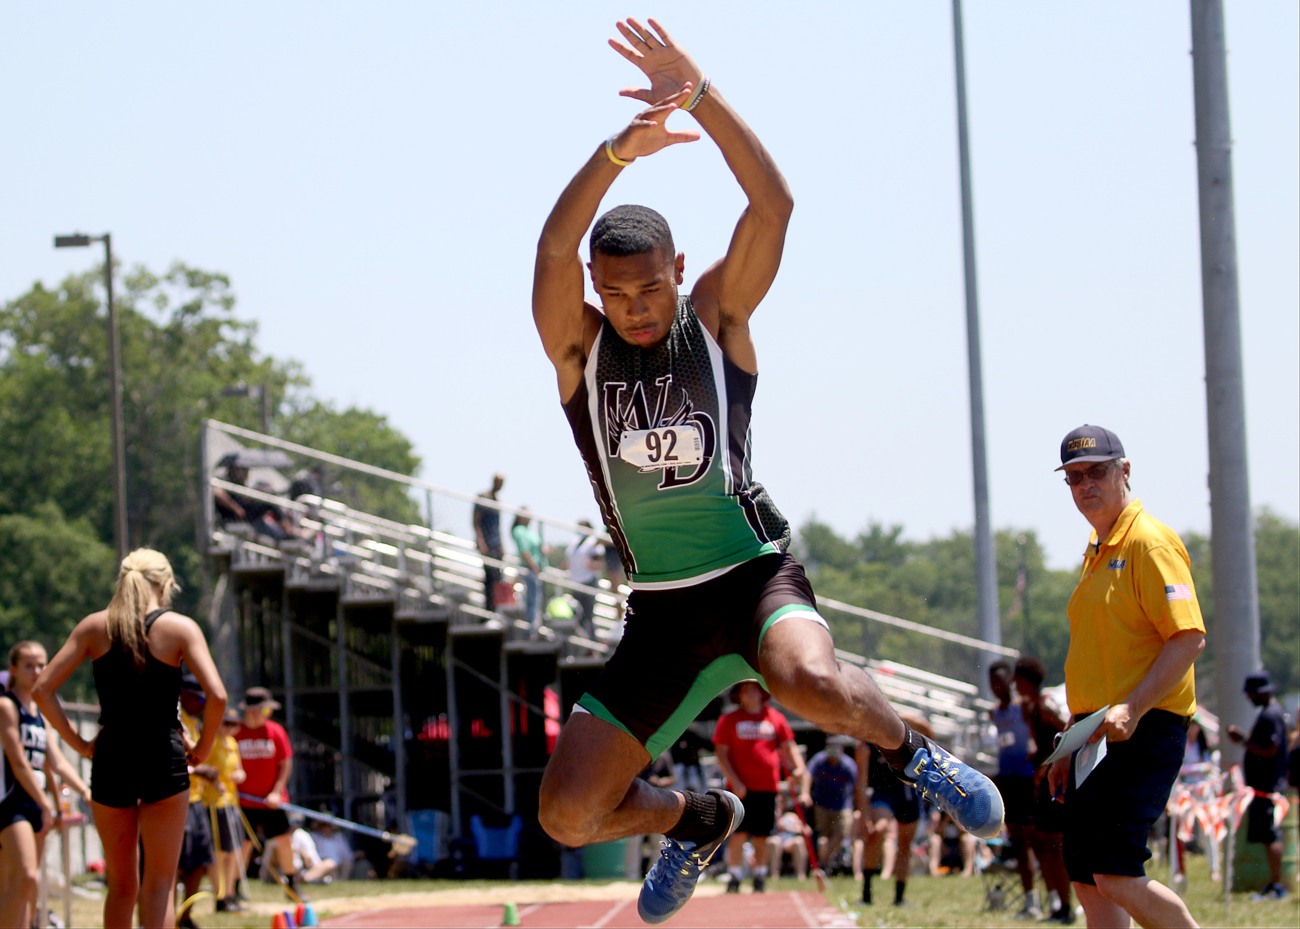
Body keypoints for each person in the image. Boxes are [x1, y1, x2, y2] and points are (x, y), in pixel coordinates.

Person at [531, 18, 1003, 925]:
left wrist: (701, 97)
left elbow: (774, 206)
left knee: (810, 684)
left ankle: (915, 753)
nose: (634, 308)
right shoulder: (578, 349)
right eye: (615, 292)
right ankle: (701, 818)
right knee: (568, 811)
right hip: (660, 612)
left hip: (752, 575)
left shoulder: (714, 316)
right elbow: (552, 252)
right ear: (597, 286)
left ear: (677, 269)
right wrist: (615, 153)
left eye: (650, 288)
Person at [1045, 425, 1205, 929]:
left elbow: (1188, 638)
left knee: (1114, 871)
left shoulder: (1148, 543)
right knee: (1087, 877)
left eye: (1097, 472)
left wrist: (1133, 707)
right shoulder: (1099, 546)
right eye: (1074, 477)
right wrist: (1072, 742)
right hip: (1098, 732)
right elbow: (1104, 657)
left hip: (1144, 726)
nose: (1085, 485)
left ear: (1125, 471)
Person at [33, 549, 227, 929]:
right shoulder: (179, 628)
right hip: (162, 754)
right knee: (159, 885)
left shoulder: (94, 627)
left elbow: (42, 689)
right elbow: (217, 697)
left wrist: (80, 744)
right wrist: (202, 750)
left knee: (121, 885)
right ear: (165, 584)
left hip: (112, 755)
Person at [1, 642, 91, 929]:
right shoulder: (6, 706)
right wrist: (45, 801)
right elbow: (18, 761)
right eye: (29, 665)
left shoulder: (40, 713)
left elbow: (58, 762)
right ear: (13, 669)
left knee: (25, 884)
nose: (37, 671)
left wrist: (86, 791)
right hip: (12, 800)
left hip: (35, 802)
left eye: (41, 665)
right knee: (25, 876)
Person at [712, 682, 808, 893]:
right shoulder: (730, 720)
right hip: (740, 788)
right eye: (746, 690)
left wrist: (799, 768)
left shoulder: (775, 718)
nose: (752, 694)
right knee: (738, 833)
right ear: (739, 695)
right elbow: (721, 752)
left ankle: (760, 875)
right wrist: (734, 780)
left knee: (762, 834)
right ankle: (735, 875)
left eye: (755, 689)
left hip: (767, 787)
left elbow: (789, 746)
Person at [1014, 656, 1074, 924]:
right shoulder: (1032, 706)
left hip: (1054, 781)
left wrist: (1047, 764)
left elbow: (1065, 735)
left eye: (1017, 678)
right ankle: (1058, 903)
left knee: (1054, 845)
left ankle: (1066, 906)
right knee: (1042, 842)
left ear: (1025, 680)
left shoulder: (1046, 705)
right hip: (1041, 782)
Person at [1227, 670, 1289, 901]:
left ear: (1261, 693)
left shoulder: (1270, 715)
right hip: (1264, 786)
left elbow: (1270, 750)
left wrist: (1243, 742)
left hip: (1268, 786)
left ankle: (1277, 886)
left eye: (1251, 694)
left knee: (1271, 836)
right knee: (1267, 836)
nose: (1249, 698)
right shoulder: (1269, 712)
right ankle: (1274, 884)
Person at [234, 687, 300, 898]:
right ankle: (234, 890)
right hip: (244, 801)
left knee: (283, 840)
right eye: (265, 710)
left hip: (272, 801)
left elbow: (285, 763)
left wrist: (277, 792)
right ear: (252, 710)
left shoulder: (275, 731)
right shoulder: (236, 731)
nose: (268, 715)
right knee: (243, 845)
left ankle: (292, 885)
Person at [988, 659, 1040, 919]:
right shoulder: (994, 712)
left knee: (1036, 840)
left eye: (1000, 681)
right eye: (992, 683)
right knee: (1018, 841)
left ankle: (1053, 896)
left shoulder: (1024, 707)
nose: (996, 687)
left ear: (1010, 681)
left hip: (1026, 777)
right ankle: (1031, 900)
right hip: (1007, 778)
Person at [858, 739, 923, 907]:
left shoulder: (906, 734)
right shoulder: (867, 744)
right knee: (880, 830)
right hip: (883, 794)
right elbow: (862, 782)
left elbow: (929, 731)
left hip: (908, 795)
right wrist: (864, 816)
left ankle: (899, 898)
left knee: (905, 845)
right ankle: (866, 894)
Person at [177, 674, 216, 929]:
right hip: (176, 800)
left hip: (196, 801)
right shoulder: (175, 720)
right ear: (183, 694)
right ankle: (161, 920)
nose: (203, 704)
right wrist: (199, 771)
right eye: (200, 698)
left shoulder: (193, 723)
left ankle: (185, 917)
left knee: (199, 863)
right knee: (172, 867)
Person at [201, 708, 248, 912]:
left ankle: (230, 894)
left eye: (234, 724)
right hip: (215, 804)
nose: (230, 728)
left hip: (231, 802)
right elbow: (200, 768)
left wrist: (240, 776)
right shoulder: (210, 742)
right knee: (220, 853)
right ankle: (220, 896)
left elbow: (239, 770)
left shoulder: (232, 744)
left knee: (234, 851)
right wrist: (213, 782)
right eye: (226, 723)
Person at [807, 735, 858, 874]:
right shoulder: (819, 760)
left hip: (842, 805)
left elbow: (857, 786)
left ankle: (824, 862)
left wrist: (858, 807)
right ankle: (822, 865)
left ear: (841, 750)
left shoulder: (848, 765)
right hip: (822, 804)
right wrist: (805, 793)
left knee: (841, 833)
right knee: (822, 835)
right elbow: (808, 775)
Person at [566, 519, 605, 639]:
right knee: (577, 615)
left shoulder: (593, 542)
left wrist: (590, 564)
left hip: (588, 581)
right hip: (576, 582)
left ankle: (593, 643)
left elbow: (599, 562)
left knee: (588, 615)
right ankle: (583, 643)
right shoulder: (575, 541)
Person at [472, 474, 506, 612]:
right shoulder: (483, 497)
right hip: (487, 544)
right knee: (490, 578)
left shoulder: (497, 501)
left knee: (497, 577)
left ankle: (496, 609)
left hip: (496, 543)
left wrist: (502, 545)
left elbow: (497, 526)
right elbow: (476, 521)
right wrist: (481, 542)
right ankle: (488, 611)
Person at [511, 510, 546, 636]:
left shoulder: (528, 532)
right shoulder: (519, 530)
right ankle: (531, 632)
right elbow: (524, 551)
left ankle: (534, 629)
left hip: (535, 570)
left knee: (536, 600)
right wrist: (533, 566)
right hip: (529, 570)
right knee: (532, 601)